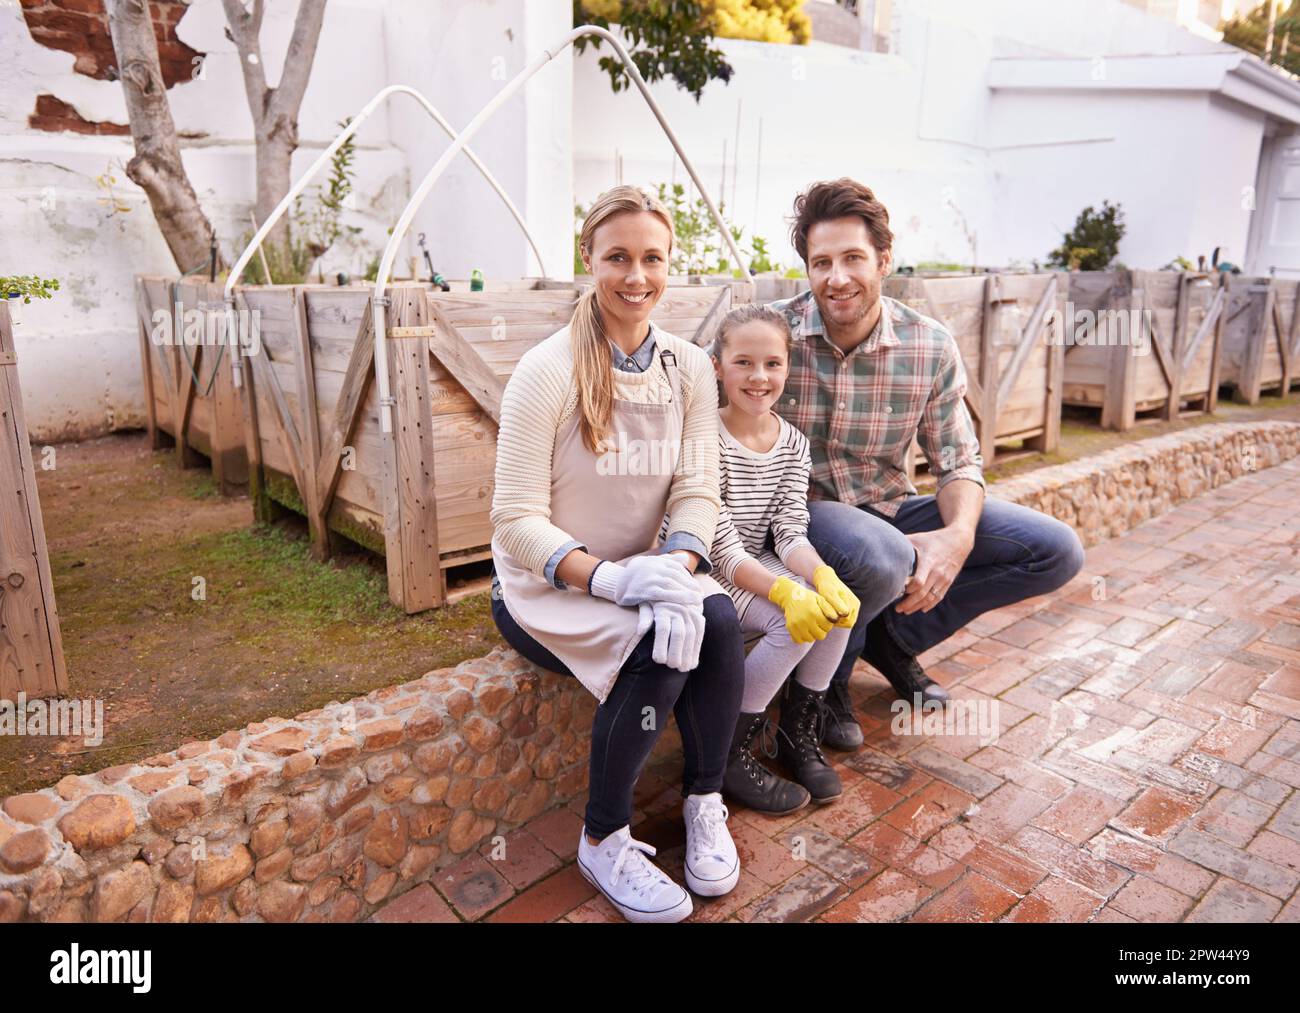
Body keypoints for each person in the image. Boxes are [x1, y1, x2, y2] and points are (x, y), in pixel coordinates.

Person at [488, 185, 745, 923]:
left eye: (653, 258)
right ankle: (603, 838)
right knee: (660, 651)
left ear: (670, 264)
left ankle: (704, 802)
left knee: (718, 622)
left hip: (648, 568)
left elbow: (700, 488)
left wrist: (678, 570)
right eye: (619, 258)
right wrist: (608, 577)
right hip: (551, 587)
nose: (637, 276)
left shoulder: (691, 366)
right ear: (589, 260)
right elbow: (513, 521)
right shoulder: (547, 370)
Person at [769, 178, 1086, 751]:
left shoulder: (930, 345)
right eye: (821, 263)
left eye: (852, 259)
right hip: (806, 523)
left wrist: (957, 538)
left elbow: (958, 459)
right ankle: (825, 684)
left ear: (884, 260)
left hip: (890, 510)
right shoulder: (774, 335)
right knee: (880, 553)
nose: (836, 278)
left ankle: (885, 638)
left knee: (1055, 549)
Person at [663, 304, 858, 815]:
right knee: (791, 624)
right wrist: (783, 592)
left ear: (787, 368)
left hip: (758, 560)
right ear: (718, 366)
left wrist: (818, 574)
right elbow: (721, 547)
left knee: (833, 613)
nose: (758, 377)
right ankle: (728, 750)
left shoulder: (793, 443)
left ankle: (797, 732)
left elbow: (789, 530)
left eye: (772, 363)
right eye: (744, 362)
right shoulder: (703, 437)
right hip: (705, 566)